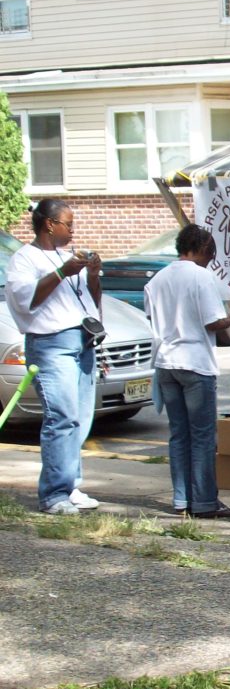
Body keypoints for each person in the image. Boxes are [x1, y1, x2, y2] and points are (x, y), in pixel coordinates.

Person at [5, 199, 103, 514]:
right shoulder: (25, 259)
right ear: (49, 224)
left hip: (83, 341)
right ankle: (54, 494)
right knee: (61, 417)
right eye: (68, 224)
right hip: (51, 343)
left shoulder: (66, 256)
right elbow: (25, 300)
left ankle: (70, 484)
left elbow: (90, 300)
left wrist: (92, 275)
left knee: (80, 418)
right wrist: (62, 272)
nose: (72, 230)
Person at [144, 224, 230, 519]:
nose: (212, 258)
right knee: (202, 436)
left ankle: (180, 500)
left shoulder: (158, 279)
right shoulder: (201, 276)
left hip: (165, 362)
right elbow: (213, 322)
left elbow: (153, 318)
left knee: (178, 435)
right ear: (200, 248)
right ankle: (204, 502)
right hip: (195, 362)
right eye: (211, 252)